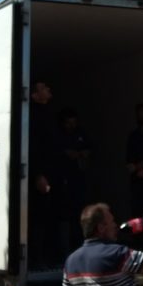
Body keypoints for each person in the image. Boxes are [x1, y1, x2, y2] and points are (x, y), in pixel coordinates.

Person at [29, 80, 59, 267]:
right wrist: (38, 174)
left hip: (52, 172)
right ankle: (37, 259)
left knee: (50, 217)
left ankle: (48, 257)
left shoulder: (48, 113)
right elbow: (34, 146)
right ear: (34, 93)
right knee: (38, 219)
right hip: (41, 176)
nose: (48, 88)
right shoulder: (32, 114)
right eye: (44, 87)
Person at [54, 106, 91, 259]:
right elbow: (57, 152)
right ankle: (64, 251)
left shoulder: (80, 134)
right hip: (62, 179)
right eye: (68, 123)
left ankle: (80, 247)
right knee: (64, 216)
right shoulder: (58, 136)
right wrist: (68, 153)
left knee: (80, 214)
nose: (71, 125)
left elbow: (89, 150)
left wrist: (81, 154)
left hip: (78, 179)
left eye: (74, 122)